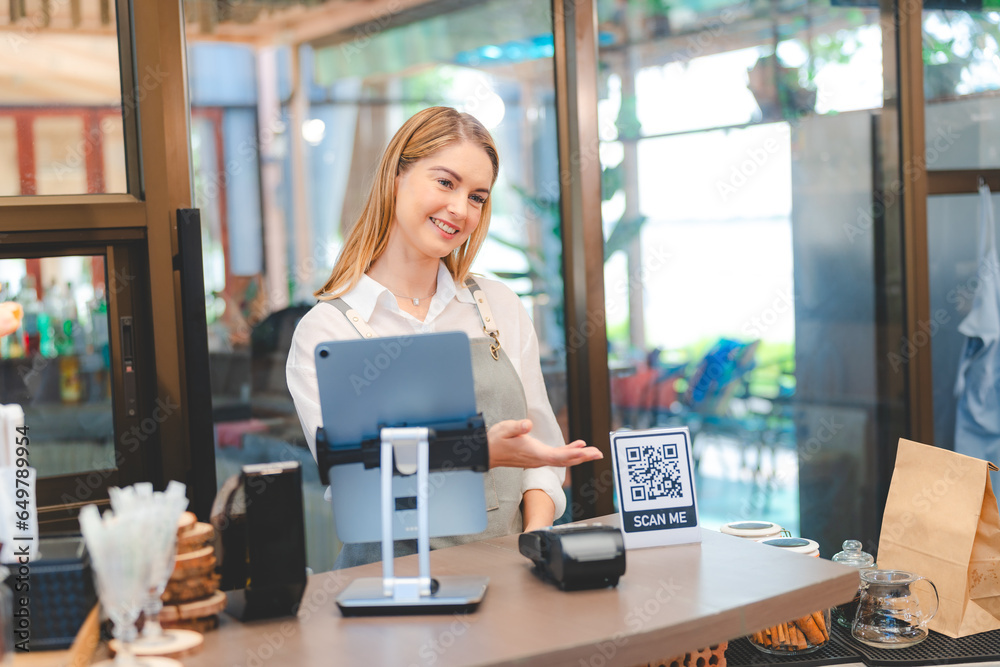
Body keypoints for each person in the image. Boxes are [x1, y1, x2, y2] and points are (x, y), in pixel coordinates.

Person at [286, 106, 602, 568]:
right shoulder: (328, 329)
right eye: (446, 182)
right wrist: (479, 452)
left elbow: (540, 460)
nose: (460, 209)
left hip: (509, 578)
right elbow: (355, 482)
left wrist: (534, 540)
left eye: (477, 197)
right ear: (396, 176)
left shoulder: (497, 306)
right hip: (387, 594)